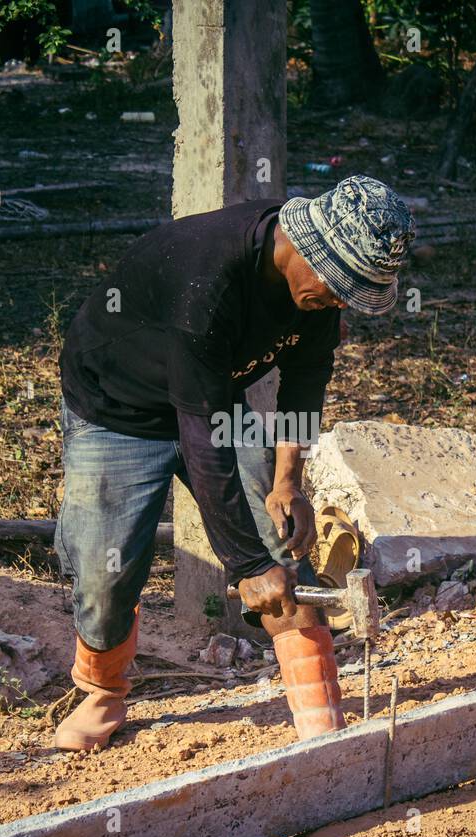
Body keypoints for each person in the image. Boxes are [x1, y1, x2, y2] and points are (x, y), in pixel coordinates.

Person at [53, 175, 414, 750]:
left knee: (281, 549)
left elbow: (305, 381)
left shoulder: (319, 288)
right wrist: (244, 565)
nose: (341, 303)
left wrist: (287, 480)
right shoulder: (208, 280)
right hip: (115, 407)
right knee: (107, 572)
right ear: (300, 248)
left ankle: (322, 724)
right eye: (339, 288)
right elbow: (202, 444)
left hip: (211, 399)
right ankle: (102, 693)